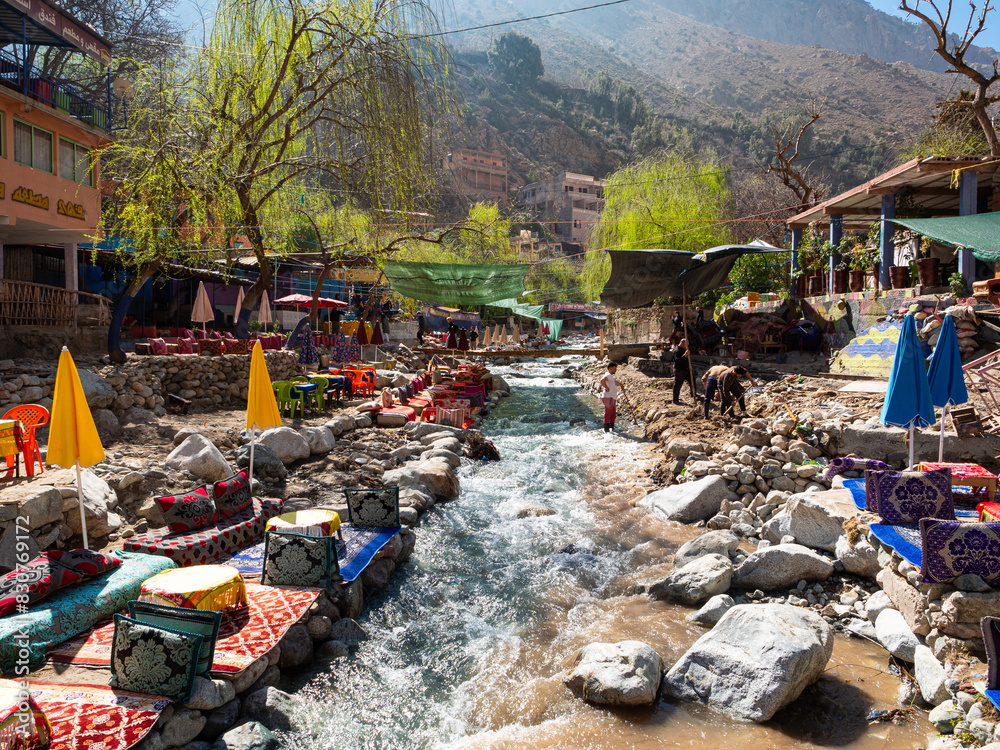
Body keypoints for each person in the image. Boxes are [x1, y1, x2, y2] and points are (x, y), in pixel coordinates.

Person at [672, 338, 698, 405]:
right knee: (678, 384)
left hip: (686, 369)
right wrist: (685, 355)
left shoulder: (684, 350)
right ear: (682, 343)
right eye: (686, 345)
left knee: (692, 379)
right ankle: (675, 400)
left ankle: (693, 394)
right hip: (680, 370)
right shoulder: (677, 350)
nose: (687, 346)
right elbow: (678, 361)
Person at [599, 362, 622, 432]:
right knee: (608, 414)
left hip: (612, 397)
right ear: (610, 369)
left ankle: (612, 429)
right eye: (614, 368)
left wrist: (621, 385)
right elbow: (602, 381)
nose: (615, 370)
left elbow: (615, 382)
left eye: (616, 368)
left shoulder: (611, 376)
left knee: (613, 414)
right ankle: (606, 431)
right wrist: (606, 387)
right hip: (608, 397)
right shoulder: (608, 375)